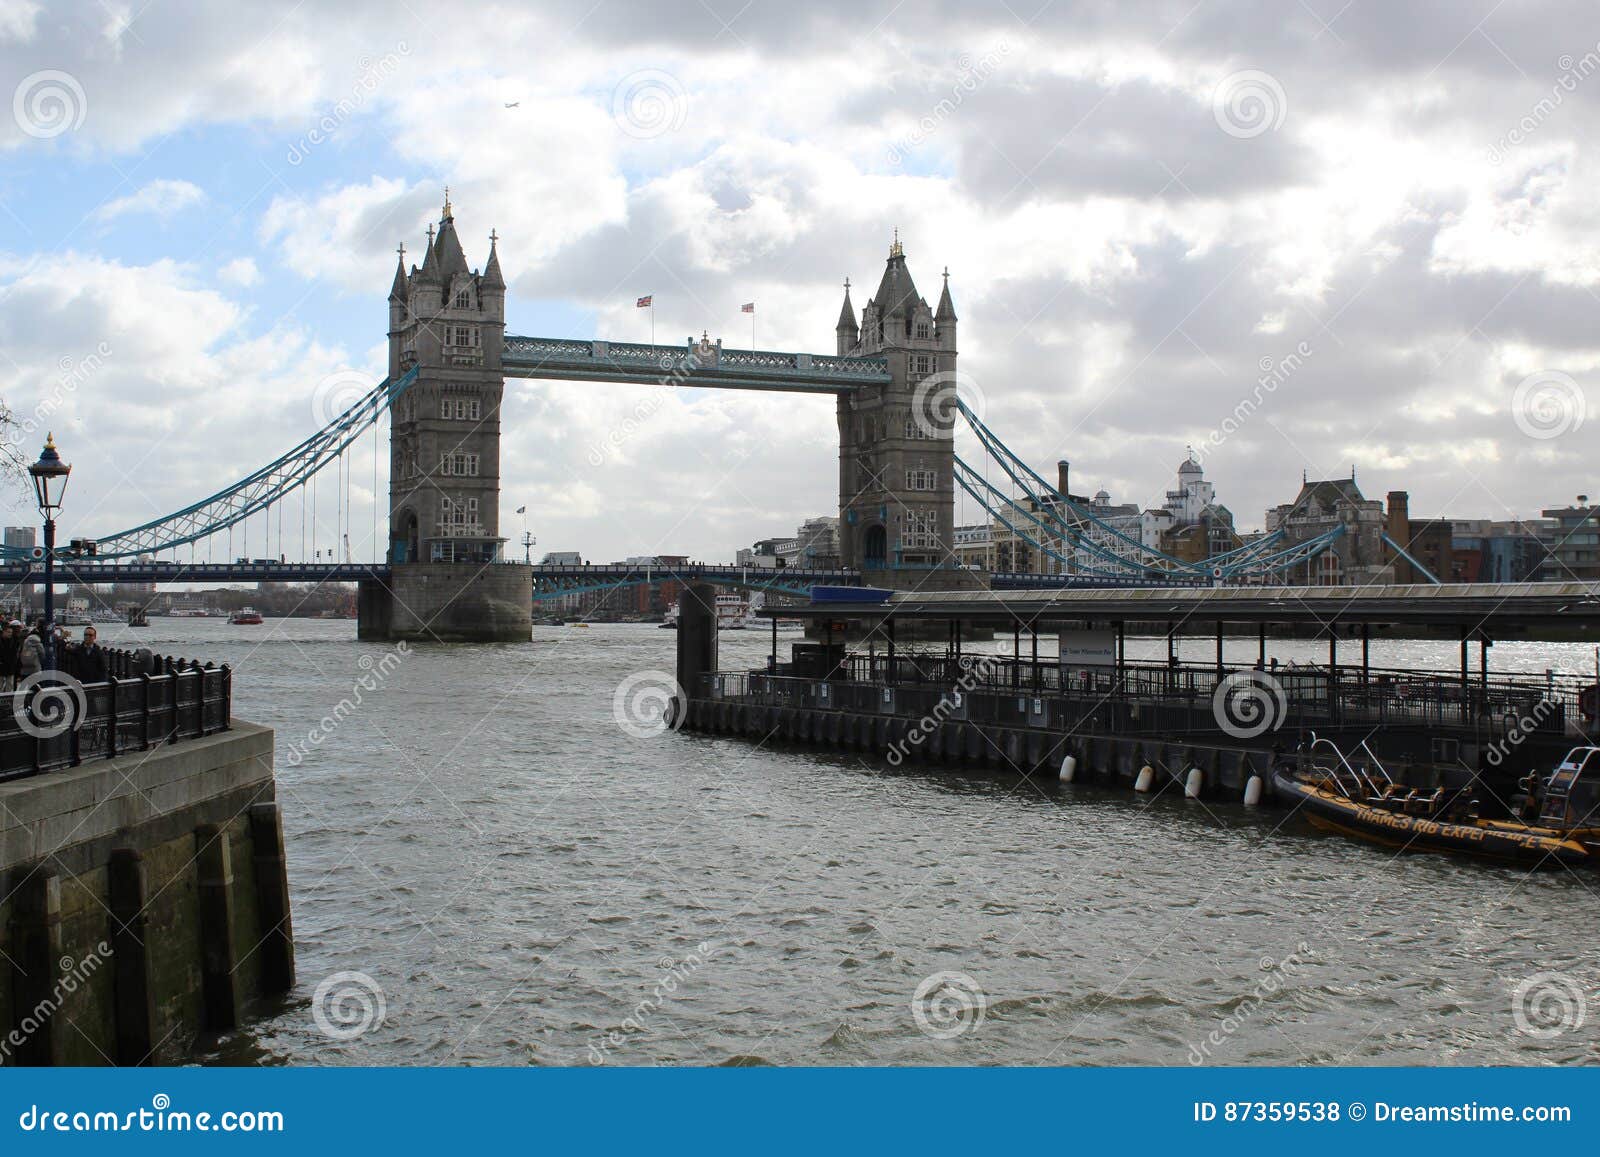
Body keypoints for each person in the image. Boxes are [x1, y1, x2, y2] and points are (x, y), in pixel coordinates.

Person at [0, 621, 18, 692]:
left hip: (10, 665)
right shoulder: (2, 641)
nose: (10, 634)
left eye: (11, 632)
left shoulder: (13, 640)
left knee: (10, 684)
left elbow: (15, 653)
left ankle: (9, 699)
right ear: (3, 632)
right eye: (8, 632)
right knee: (0, 683)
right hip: (2, 664)